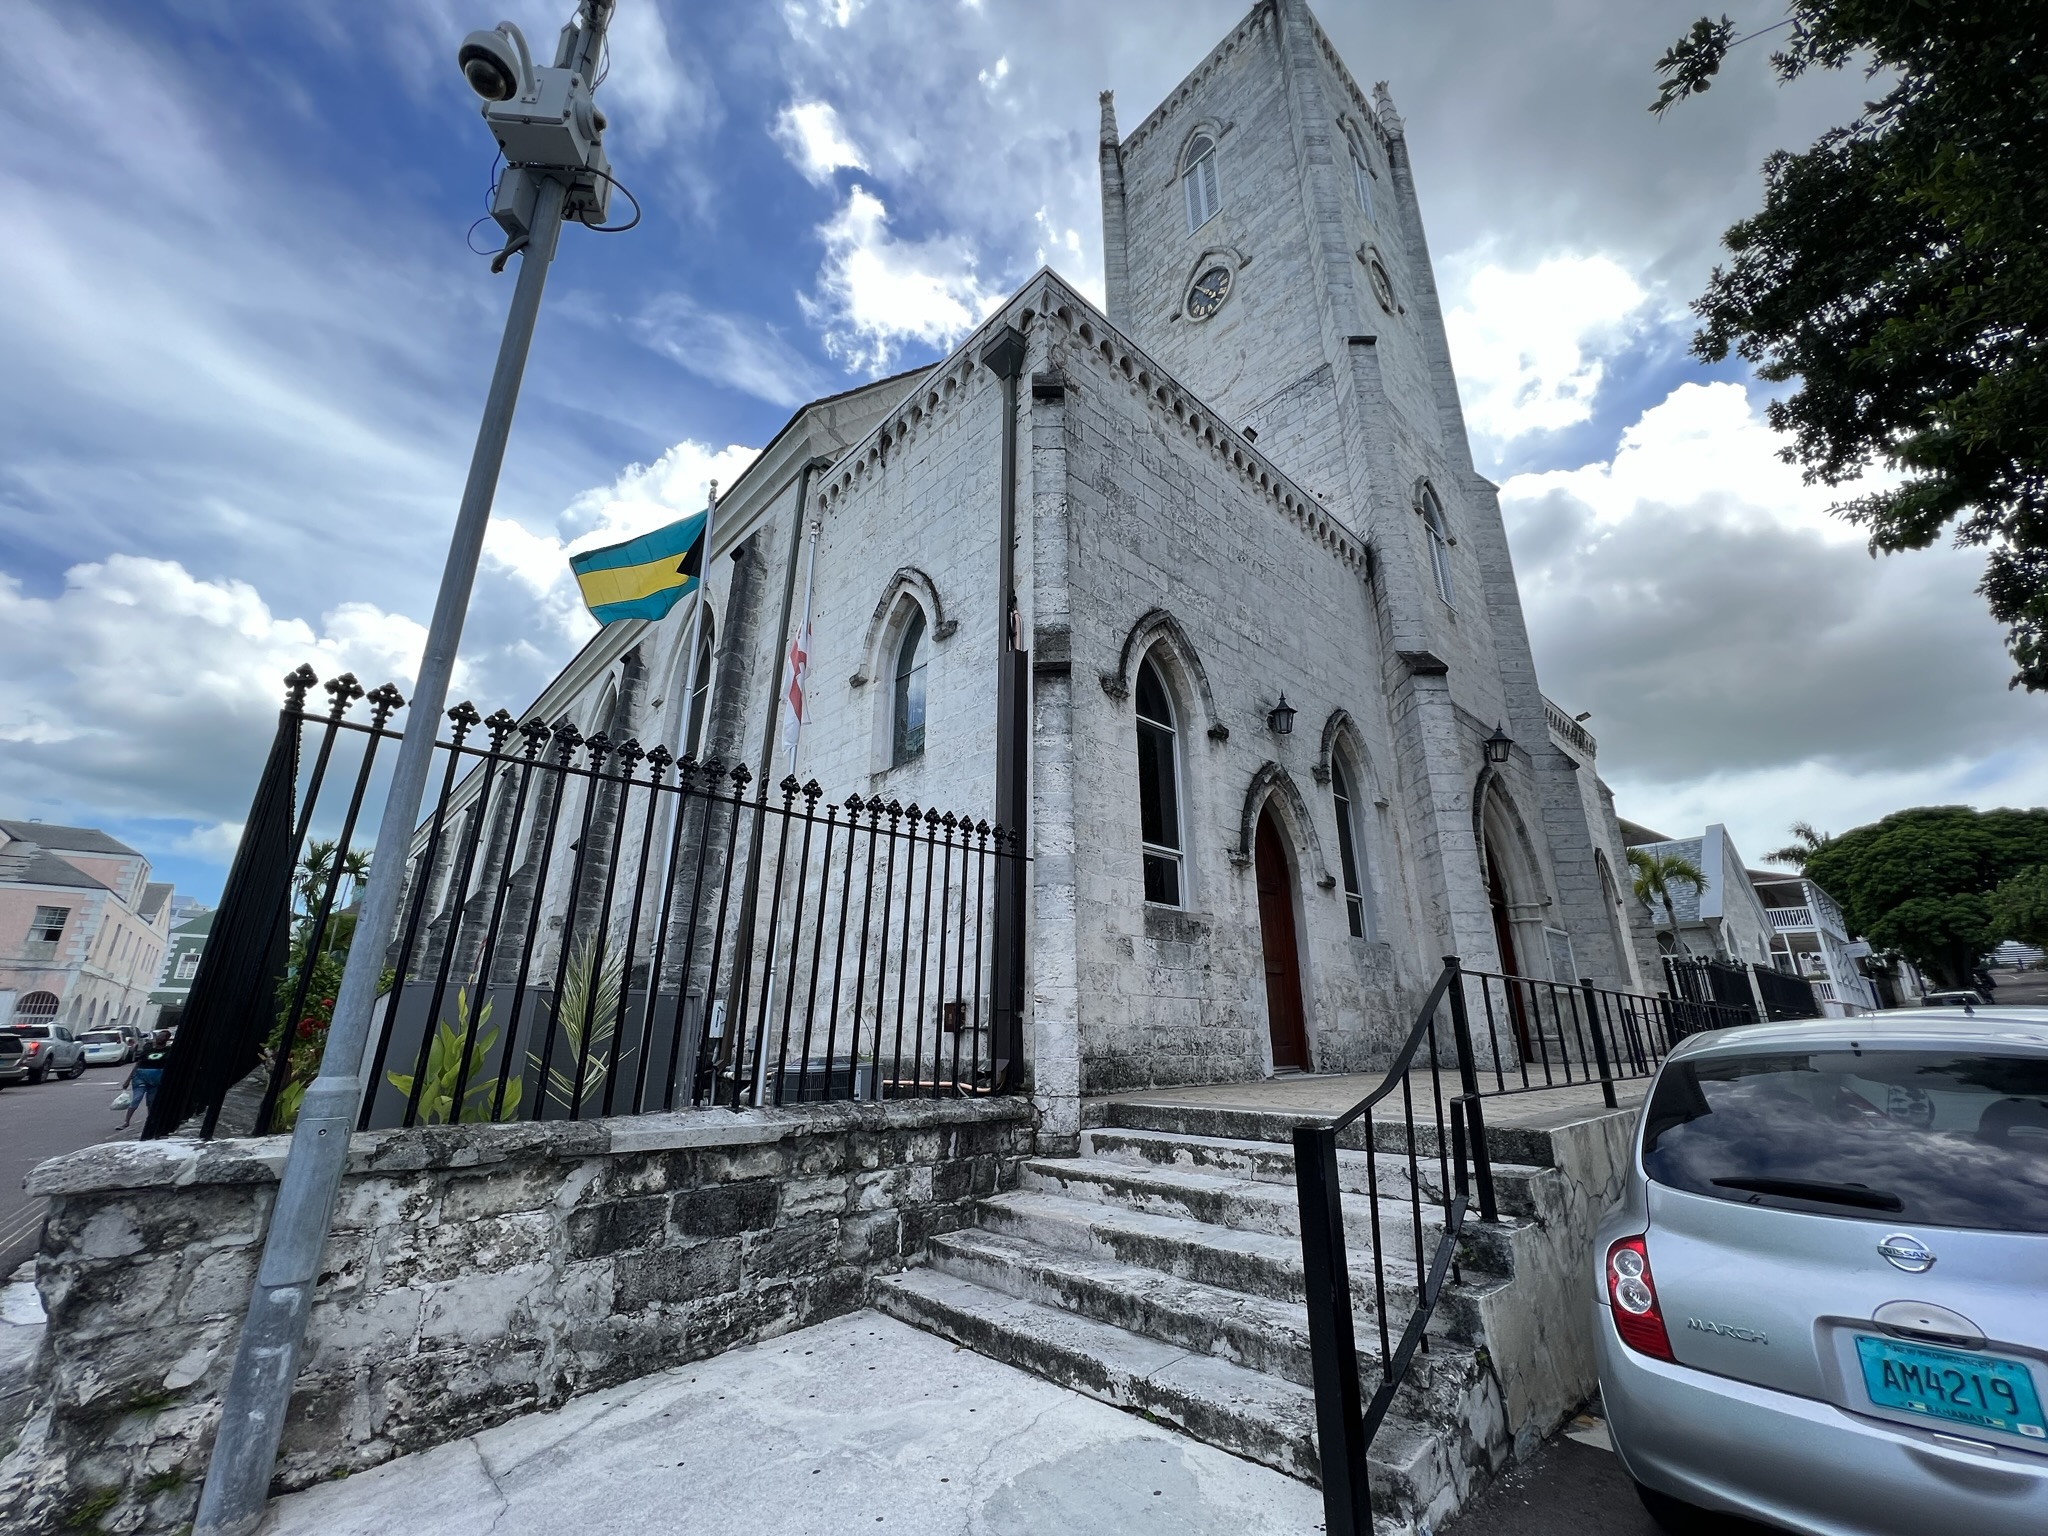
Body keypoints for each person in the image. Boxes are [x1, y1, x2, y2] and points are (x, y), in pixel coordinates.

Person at [122, 1032, 172, 1130]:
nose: (160, 1037)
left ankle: (150, 1120)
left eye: (163, 1036)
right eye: (159, 1035)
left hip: (156, 1078)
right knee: (137, 1098)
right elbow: (138, 1063)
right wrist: (128, 1079)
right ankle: (126, 1121)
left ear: (167, 1039)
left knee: (151, 1101)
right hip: (140, 1077)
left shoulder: (168, 1050)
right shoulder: (148, 1047)